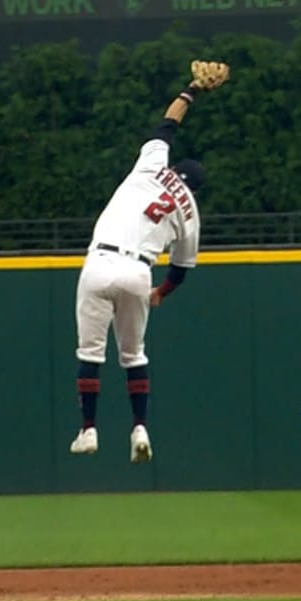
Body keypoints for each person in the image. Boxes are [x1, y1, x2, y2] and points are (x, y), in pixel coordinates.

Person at [69, 64, 221, 463]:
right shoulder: (190, 213)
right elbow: (182, 269)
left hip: (101, 260)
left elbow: (166, 126)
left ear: (174, 169)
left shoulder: (152, 165)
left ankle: (88, 431)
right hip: (139, 273)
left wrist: (190, 91)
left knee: (90, 352)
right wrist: (161, 293)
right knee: (133, 355)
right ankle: (140, 428)